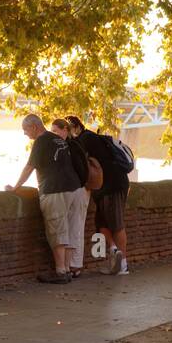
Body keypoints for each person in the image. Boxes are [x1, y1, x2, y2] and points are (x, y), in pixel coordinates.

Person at [5, 114, 83, 284]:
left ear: (34, 127)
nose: (25, 134)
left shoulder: (40, 141)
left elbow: (29, 167)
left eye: (25, 130)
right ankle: (68, 269)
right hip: (75, 188)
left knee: (57, 230)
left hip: (56, 189)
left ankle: (60, 271)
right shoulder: (58, 139)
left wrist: (15, 187)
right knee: (69, 230)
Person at [67, 115, 130, 276]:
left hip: (112, 184)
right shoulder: (91, 138)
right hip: (104, 186)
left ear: (75, 127)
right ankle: (113, 250)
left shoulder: (85, 139)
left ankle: (123, 265)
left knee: (116, 223)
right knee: (101, 222)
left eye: (68, 129)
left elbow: (81, 165)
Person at [51, 118, 90, 278]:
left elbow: (76, 169)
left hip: (76, 190)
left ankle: (73, 266)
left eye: (55, 131)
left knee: (74, 228)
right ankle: (73, 265)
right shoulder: (73, 145)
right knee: (74, 228)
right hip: (78, 189)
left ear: (65, 130)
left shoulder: (69, 146)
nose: (53, 134)